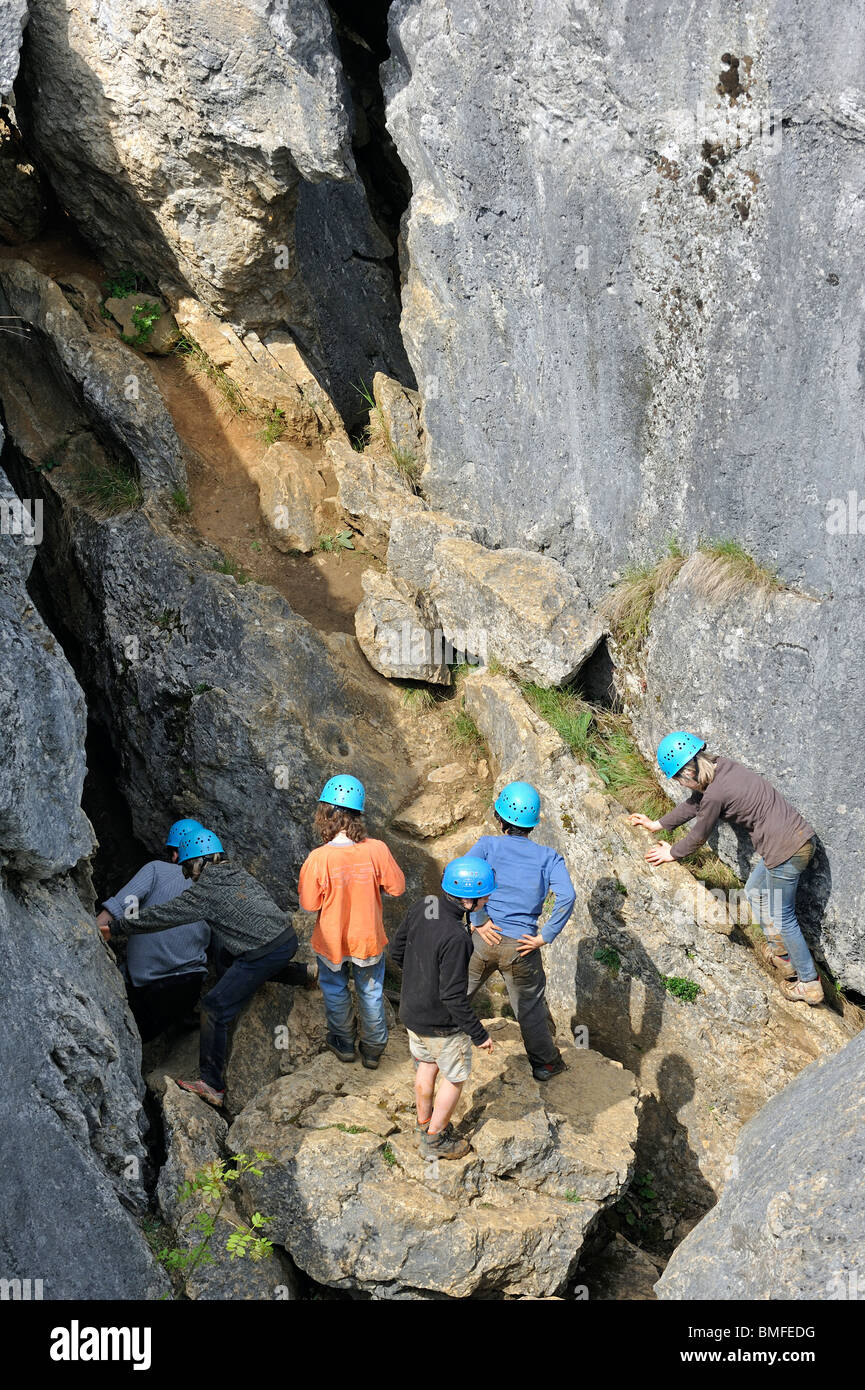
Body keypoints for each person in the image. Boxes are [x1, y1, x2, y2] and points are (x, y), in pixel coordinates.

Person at [102, 826, 314, 1105]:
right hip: (286, 940)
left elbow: (162, 916)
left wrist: (116, 928)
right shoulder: (236, 871)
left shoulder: (204, 892)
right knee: (228, 959)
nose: (188, 876)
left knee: (214, 1007)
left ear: (199, 862)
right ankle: (305, 973)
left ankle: (212, 1084)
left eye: (188, 868)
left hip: (262, 952)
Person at [629, 732, 823, 1005]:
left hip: (785, 851)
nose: (681, 785)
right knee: (755, 890)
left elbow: (698, 835)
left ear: (687, 774)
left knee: (783, 916)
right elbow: (695, 804)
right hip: (794, 840)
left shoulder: (714, 795)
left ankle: (809, 983)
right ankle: (781, 955)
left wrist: (671, 852)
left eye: (678, 780)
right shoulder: (723, 767)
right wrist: (658, 824)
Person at [465, 781, 576, 1081]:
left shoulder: (488, 845)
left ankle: (433, 1039)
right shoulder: (549, 857)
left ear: (500, 818)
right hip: (522, 947)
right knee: (529, 1008)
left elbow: (462, 874)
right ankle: (545, 1064)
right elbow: (567, 896)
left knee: (458, 991)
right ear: (534, 824)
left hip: (483, 938)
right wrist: (545, 936)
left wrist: (479, 919)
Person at [390, 856, 495, 1160]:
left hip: (412, 1013)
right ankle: (435, 1138)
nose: (486, 900)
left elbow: (397, 950)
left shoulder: (424, 906)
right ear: (468, 900)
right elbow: (452, 996)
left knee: (426, 1065)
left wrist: (418, 980)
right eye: (484, 896)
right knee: (455, 1076)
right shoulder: (457, 938)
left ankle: (424, 1122)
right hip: (442, 1025)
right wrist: (479, 1034)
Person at [299, 775, 405, 1069]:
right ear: (358, 813)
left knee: (335, 990)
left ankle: (344, 1042)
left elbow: (310, 904)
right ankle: (373, 1049)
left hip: (331, 941)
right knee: (370, 992)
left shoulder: (318, 858)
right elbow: (397, 887)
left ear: (325, 814)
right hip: (367, 939)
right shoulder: (377, 850)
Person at [95, 819, 210, 1043]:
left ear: (177, 853)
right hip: (189, 988)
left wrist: (89, 930)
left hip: (148, 990)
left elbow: (120, 906)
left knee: (121, 1039)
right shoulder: (214, 885)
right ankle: (183, 1018)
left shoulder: (157, 869)